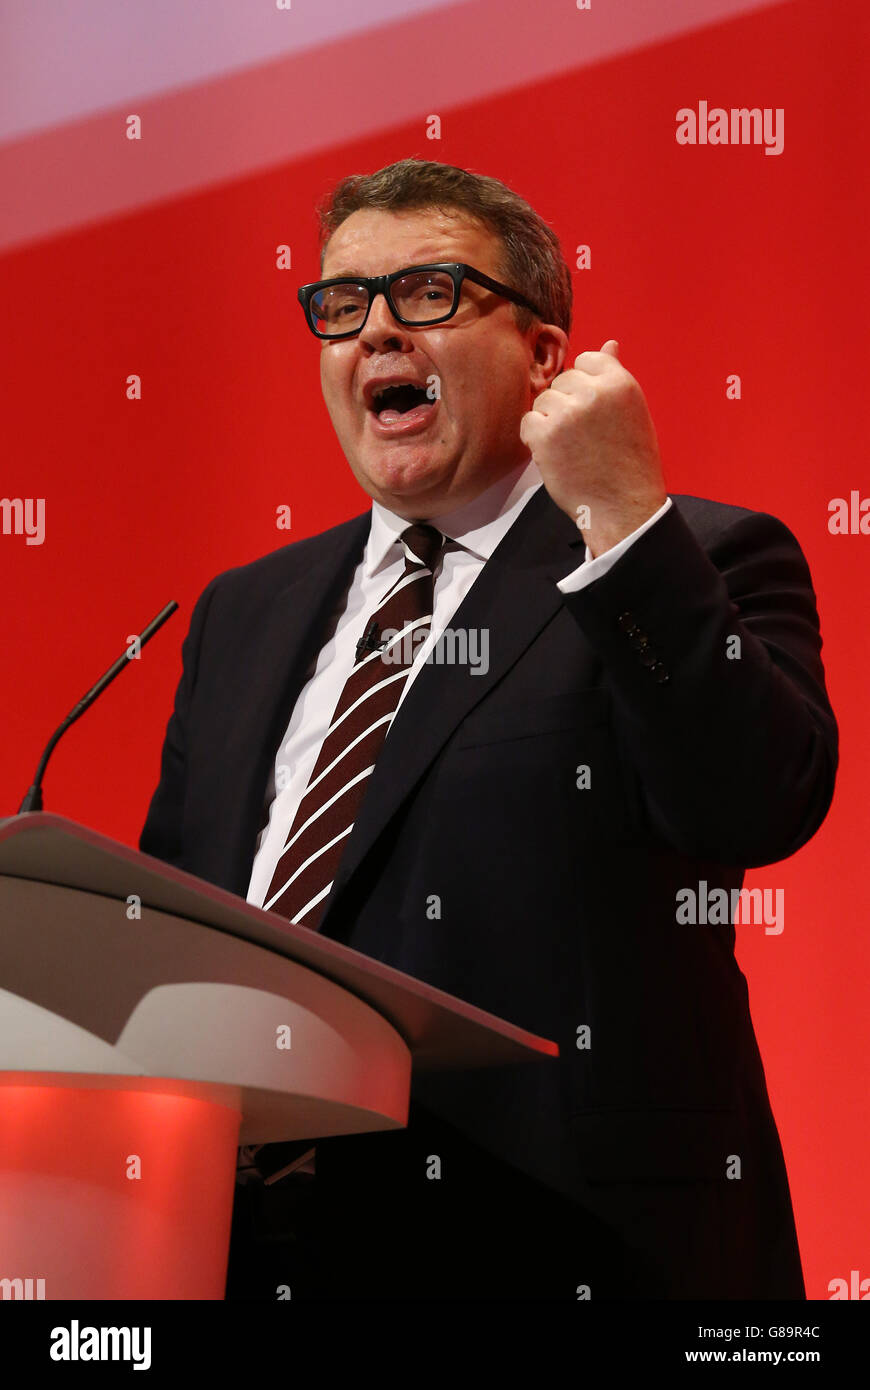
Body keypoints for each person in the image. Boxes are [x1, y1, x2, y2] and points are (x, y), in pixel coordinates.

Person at [140, 157, 838, 1301]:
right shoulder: (243, 610)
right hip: (246, 1249)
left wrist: (623, 521)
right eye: (342, 304)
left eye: (427, 293)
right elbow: (179, 926)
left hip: (555, 1251)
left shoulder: (690, 560)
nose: (373, 332)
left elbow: (755, 799)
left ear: (548, 355)